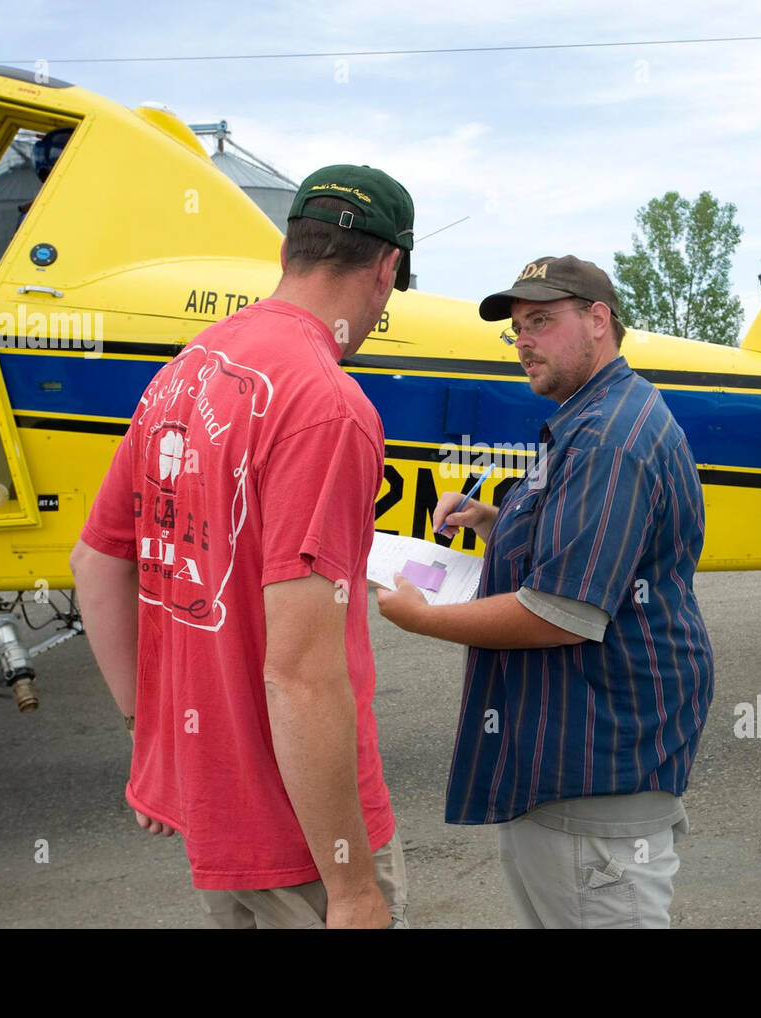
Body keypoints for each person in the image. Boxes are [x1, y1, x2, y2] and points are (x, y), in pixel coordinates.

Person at [70, 164, 415, 929]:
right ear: (387, 268)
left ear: (291, 250)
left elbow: (95, 562)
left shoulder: (184, 369)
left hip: (212, 812)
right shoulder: (328, 404)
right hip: (300, 841)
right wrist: (353, 887)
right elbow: (300, 675)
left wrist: (153, 743)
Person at [377, 255, 713, 929]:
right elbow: (595, 547)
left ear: (598, 320)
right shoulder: (596, 415)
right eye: (517, 328)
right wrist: (493, 523)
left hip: (594, 778)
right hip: (580, 765)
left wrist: (422, 618)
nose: (523, 340)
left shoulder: (604, 439)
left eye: (541, 321)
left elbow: (561, 614)